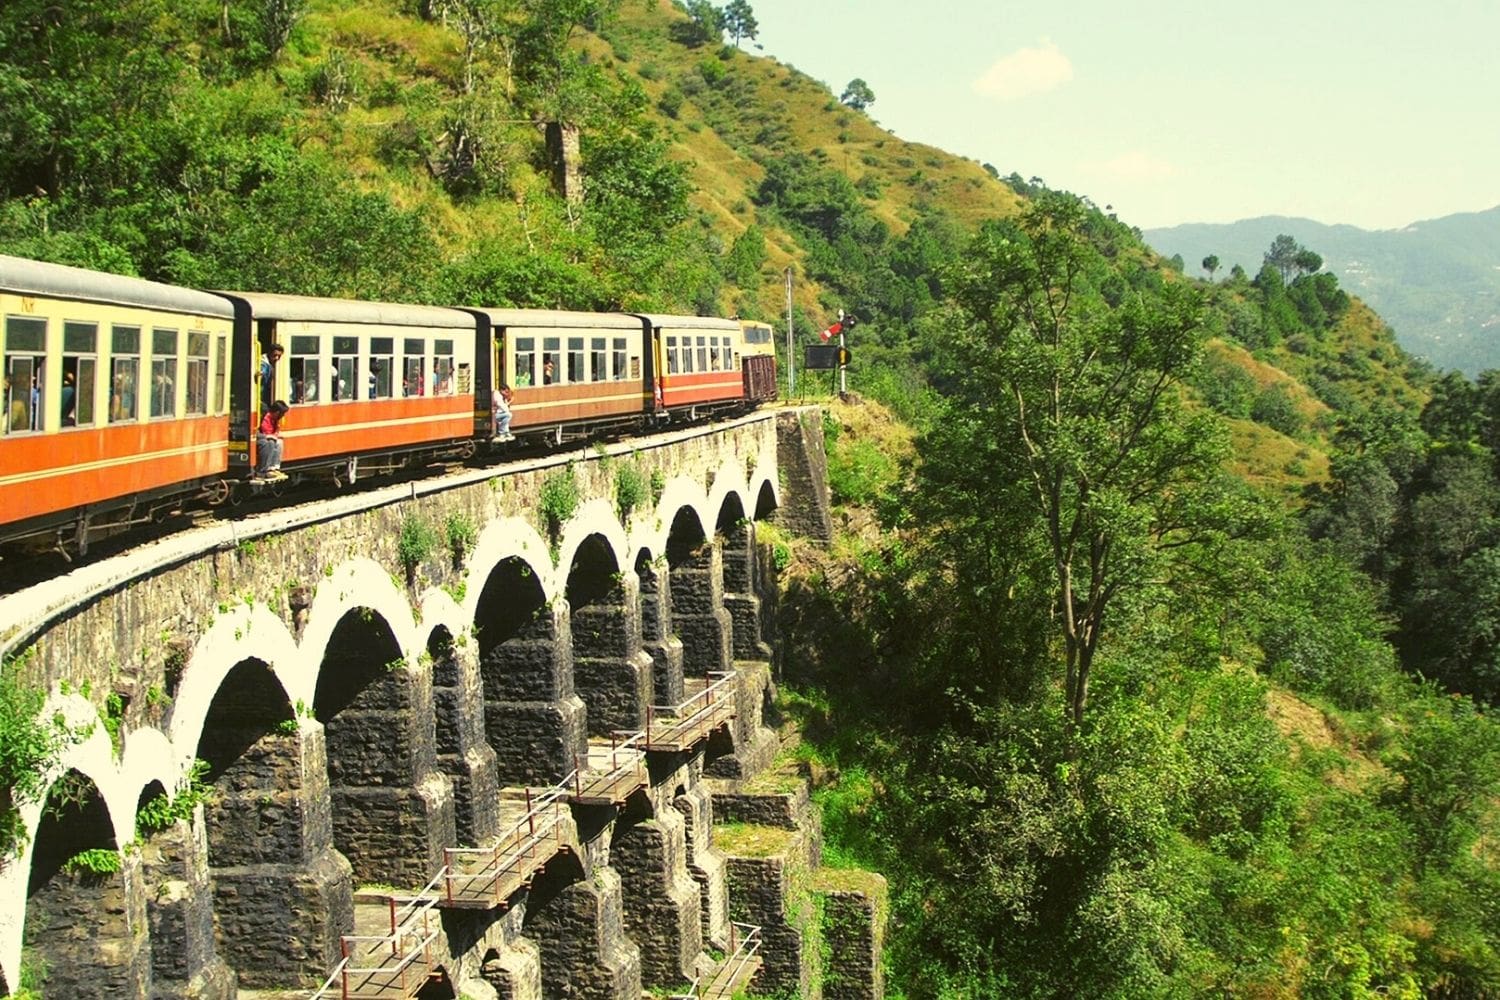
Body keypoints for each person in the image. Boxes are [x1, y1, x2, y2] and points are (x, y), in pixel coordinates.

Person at [254, 400, 290, 481]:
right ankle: (263, 470)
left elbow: (275, 430)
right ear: (277, 412)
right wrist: (270, 436)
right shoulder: (265, 417)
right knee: (270, 443)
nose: (283, 416)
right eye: (282, 414)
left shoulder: (275, 420)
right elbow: (264, 430)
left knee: (279, 442)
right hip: (260, 436)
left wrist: (276, 435)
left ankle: (273, 468)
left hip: (267, 436)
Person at [260, 343, 283, 410]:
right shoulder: (264, 364)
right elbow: (262, 371)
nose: (277, 358)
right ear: (269, 353)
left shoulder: (269, 364)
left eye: (279, 356)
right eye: (274, 355)